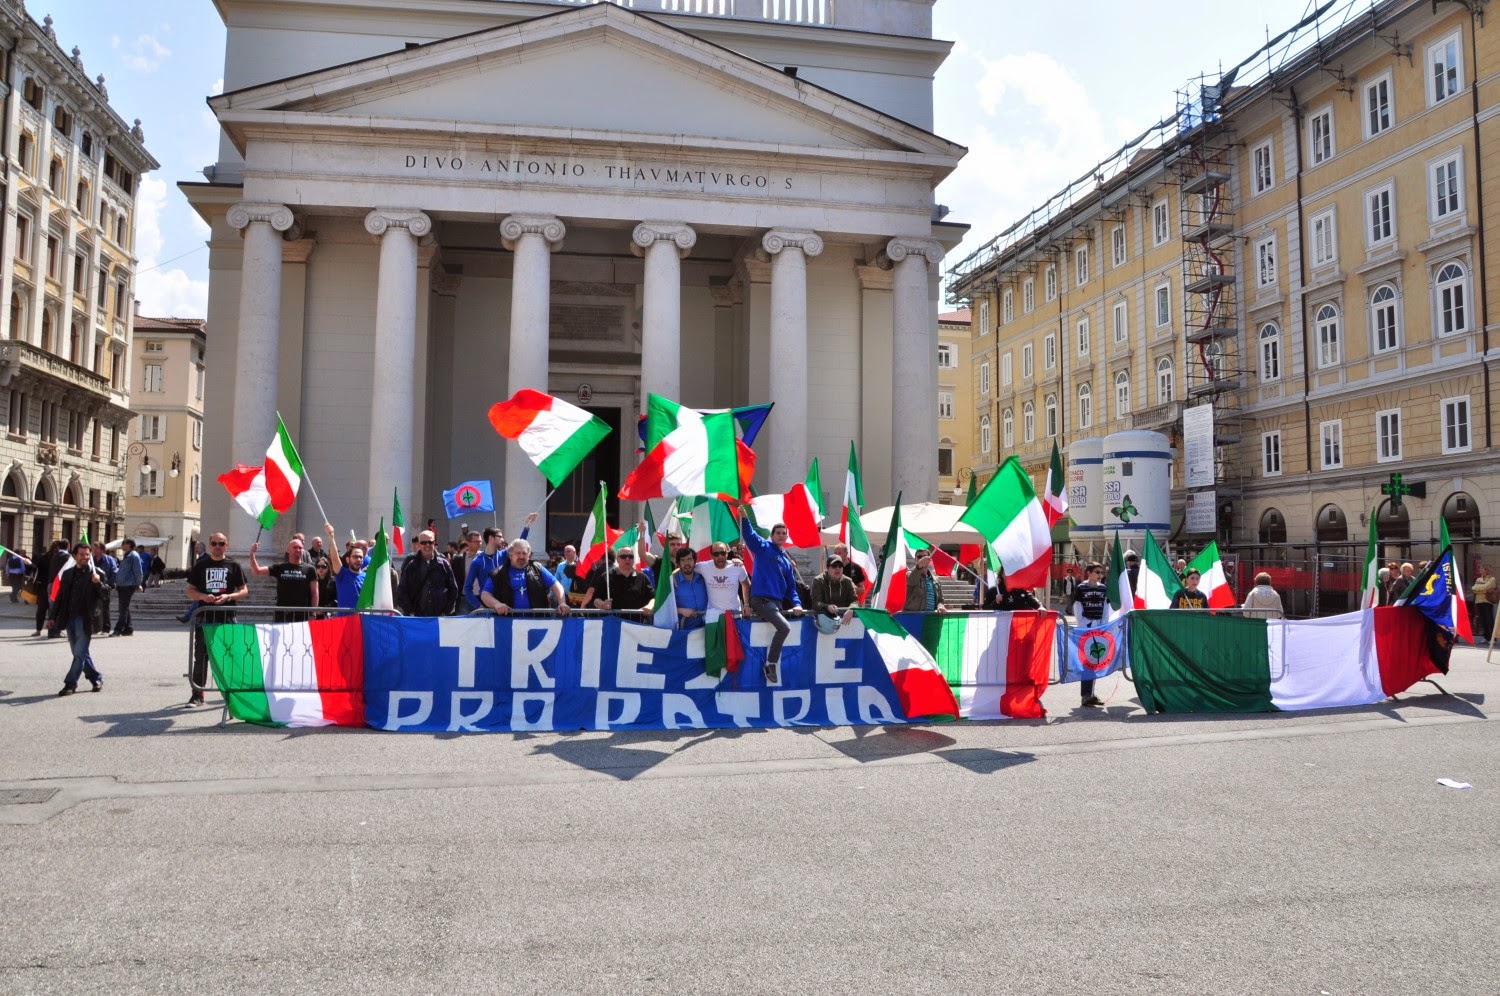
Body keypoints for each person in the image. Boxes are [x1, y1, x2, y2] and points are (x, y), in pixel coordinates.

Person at [186, 532, 249, 706]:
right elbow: (190, 590)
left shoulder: (233, 565)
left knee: (229, 656)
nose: (217, 547)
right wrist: (203, 597)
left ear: (226, 545)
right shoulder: (201, 565)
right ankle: (197, 694)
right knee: (201, 656)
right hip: (205, 617)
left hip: (227, 617)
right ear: (210, 544)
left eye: (221, 543)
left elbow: (244, 590)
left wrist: (229, 597)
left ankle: (232, 693)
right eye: (214, 543)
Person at [740, 516, 804, 685]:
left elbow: (791, 587)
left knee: (780, 628)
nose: (781, 535)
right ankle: (770, 664)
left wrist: (797, 604)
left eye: (784, 533)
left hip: (776, 604)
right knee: (784, 628)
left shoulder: (787, 562)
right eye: (778, 533)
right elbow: (750, 535)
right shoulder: (763, 547)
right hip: (760, 600)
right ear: (773, 535)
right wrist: (745, 519)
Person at [46, 544, 104, 695]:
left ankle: (70, 684)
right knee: (80, 653)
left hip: (85, 620)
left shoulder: (96, 574)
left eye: (87, 555)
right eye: (81, 554)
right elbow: (59, 597)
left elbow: (105, 595)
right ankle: (96, 677)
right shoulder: (68, 574)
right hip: (69, 618)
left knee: (79, 653)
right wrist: (52, 617)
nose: (85, 557)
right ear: (74, 556)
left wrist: (98, 583)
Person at [479, 538, 571, 617]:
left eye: (524, 553)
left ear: (529, 555)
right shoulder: (498, 573)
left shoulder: (538, 569)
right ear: (510, 555)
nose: (521, 556)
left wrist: (562, 602)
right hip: (507, 623)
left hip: (536, 622)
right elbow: (485, 594)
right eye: (518, 553)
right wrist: (496, 604)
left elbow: (556, 585)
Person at [249, 537, 319, 623]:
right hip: (282, 615)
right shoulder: (280, 567)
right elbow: (257, 571)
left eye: (300, 548)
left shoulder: (310, 569)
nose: (298, 549)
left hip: (302, 615)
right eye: (295, 547)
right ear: (288, 550)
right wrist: (252, 554)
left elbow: (314, 593)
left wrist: (313, 613)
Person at [1069, 562, 1108, 708]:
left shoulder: (1103, 588)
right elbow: (1077, 608)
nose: (1099, 575)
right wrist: (1084, 626)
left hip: (1098, 626)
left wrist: (1103, 625)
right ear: (1089, 573)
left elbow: (1105, 607)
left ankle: (1090, 694)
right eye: (1097, 572)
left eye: (1101, 572)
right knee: (1087, 662)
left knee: (1095, 661)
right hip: (1086, 627)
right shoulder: (1081, 588)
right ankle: (1086, 695)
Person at [397, 529, 459, 616]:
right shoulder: (412, 565)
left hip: (438, 617)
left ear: (434, 543)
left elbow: (453, 589)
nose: (427, 545)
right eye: (423, 543)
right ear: (418, 544)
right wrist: (410, 610)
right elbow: (402, 590)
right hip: (417, 616)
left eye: (430, 542)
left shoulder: (444, 564)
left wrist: (446, 611)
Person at [586, 546, 655, 613]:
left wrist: (650, 606)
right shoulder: (606, 576)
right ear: (617, 559)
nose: (627, 559)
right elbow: (595, 599)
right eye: (623, 557)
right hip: (613, 621)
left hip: (636, 622)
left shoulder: (642, 577)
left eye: (631, 557)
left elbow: (653, 597)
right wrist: (603, 605)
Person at [700, 542, 750, 623]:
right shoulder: (704, 566)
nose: (720, 557)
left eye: (722, 553)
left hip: (734, 614)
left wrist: (746, 605)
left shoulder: (737, 566)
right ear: (711, 555)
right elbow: (688, 567)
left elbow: (746, 584)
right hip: (714, 617)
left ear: (727, 553)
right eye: (716, 554)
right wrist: (673, 575)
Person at [324, 523, 368, 610]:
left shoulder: (367, 577)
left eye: (360, 557)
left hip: (361, 620)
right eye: (355, 557)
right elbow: (335, 558)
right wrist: (331, 538)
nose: (358, 559)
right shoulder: (342, 574)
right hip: (344, 620)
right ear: (347, 560)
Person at [809, 556, 858, 631]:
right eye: (834, 566)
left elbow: (855, 601)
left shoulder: (848, 581)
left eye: (840, 565)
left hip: (843, 624)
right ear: (828, 568)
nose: (838, 568)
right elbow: (815, 603)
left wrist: (851, 609)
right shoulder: (818, 580)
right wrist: (827, 607)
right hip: (823, 625)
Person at [462, 528, 506, 612]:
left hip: (504, 604)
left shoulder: (503, 555)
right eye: (499, 537)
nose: (502, 539)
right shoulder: (477, 561)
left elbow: (518, 546)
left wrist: (527, 527)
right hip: (487, 608)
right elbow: (467, 588)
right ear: (491, 538)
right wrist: (479, 605)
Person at [668, 546, 710, 629]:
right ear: (678, 563)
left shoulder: (704, 577)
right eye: (682, 560)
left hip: (706, 629)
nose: (686, 563)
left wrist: (736, 561)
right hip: (683, 631)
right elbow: (662, 606)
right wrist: (681, 610)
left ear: (695, 561)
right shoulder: (671, 582)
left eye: (689, 559)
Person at [33, 540, 69, 638]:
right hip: (57, 585)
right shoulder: (66, 557)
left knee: (46, 609)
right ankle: (55, 631)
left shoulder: (49, 557)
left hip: (47, 585)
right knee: (55, 609)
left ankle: (42, 630)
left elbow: (36, 568)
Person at [112, 539, 143, 636]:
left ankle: (118, 629)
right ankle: (128, 629)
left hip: (128, 585)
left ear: (129, 545)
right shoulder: (127, 555)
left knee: (123, 608)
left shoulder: (133, 556)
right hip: (122, 585)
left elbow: (138, 571)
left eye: (123, 544)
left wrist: (138, 583)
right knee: (125, 607)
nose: (122, 546)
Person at [903, 548, 948, 613]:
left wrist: (940, 606)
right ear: (915, 560)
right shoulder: (908, 574)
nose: (922, 559)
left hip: (931, 617)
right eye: (919, 557)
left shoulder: (936, 580)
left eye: (925, 557)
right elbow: (911, 580)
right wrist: (919, 566)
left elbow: (940, 600)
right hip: (913, 617)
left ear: (929, 560)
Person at [90, 541, 118, 635]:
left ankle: (106, 628)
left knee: (105, 607)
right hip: (93, 587)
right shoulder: (91, 560)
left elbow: (114, 572)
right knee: (93, 606)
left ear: (102, 550)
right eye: (93, 548)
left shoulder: (109, 560)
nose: (94, 550)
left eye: (96, 548)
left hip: (105, 587)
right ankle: (95, 627)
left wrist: (109, 584)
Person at [1470, 564, 1496, 646]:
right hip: (1479, 601)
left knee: (1489, 620)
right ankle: (1486, 637)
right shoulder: (1478, 579)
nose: (1480, 570)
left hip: (1487, 601)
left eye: (1482, 569)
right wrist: (1482, 589)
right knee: (1482, 620)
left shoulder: (1492, 579)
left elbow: (1486, 587)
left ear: (1486, 570)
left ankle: (1492, 638)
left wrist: (1479, 588)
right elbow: (1473, 588)